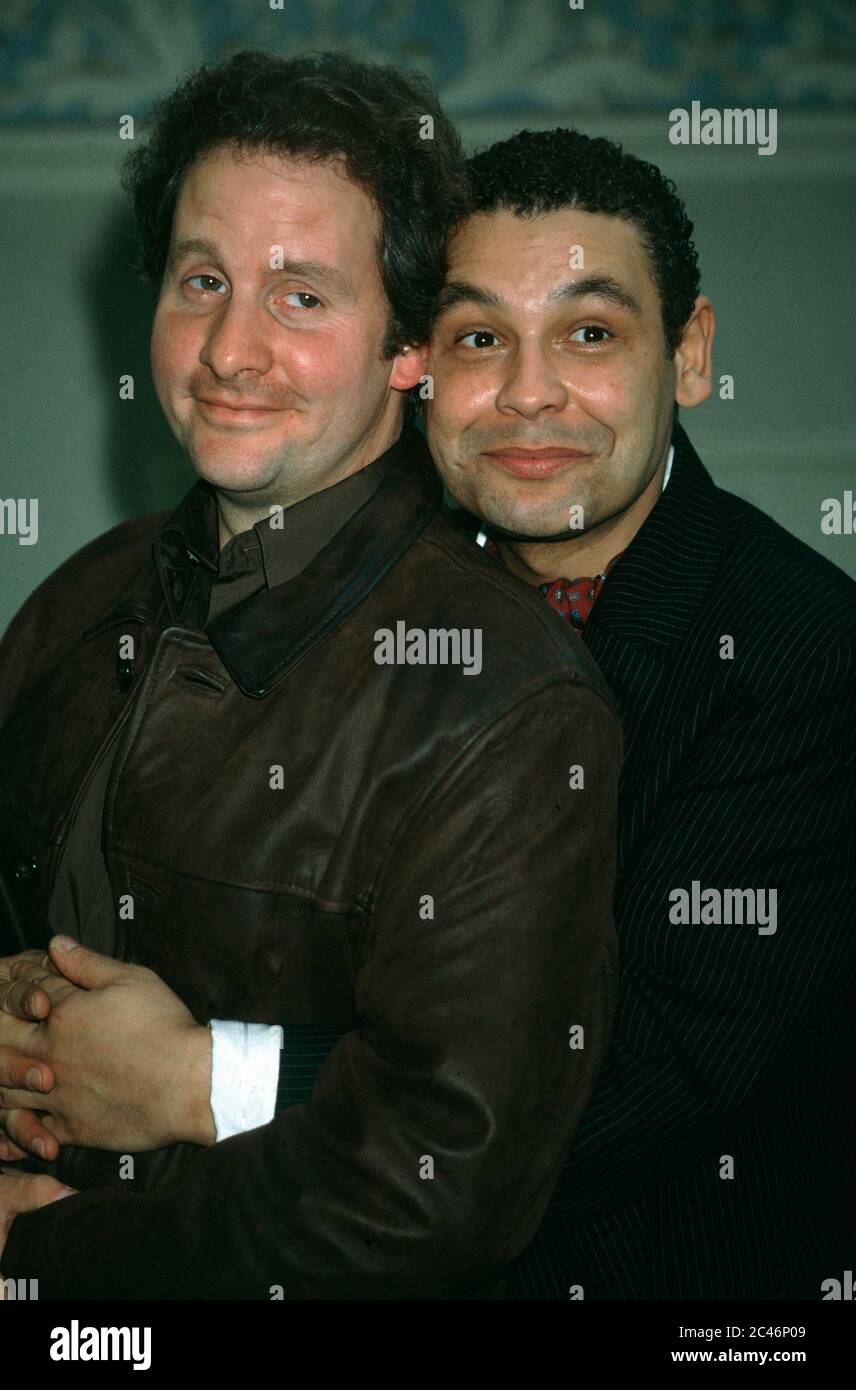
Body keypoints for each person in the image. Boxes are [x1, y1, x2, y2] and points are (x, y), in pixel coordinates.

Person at [0, 69, 621, 1299]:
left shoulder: (511, 695)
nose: (234, 349)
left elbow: (444, 1174)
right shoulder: (81, 594)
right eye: (203, 282)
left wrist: (41, 1250)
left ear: (406, 348)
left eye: (300, 295)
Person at [423, 128, 856, 1299]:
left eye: (591, 332)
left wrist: (211, 1093)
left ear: (691, 352)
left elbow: (632, 1083)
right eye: (477, 338)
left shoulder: (806, 658)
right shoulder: (376, 599)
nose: (524, 391)